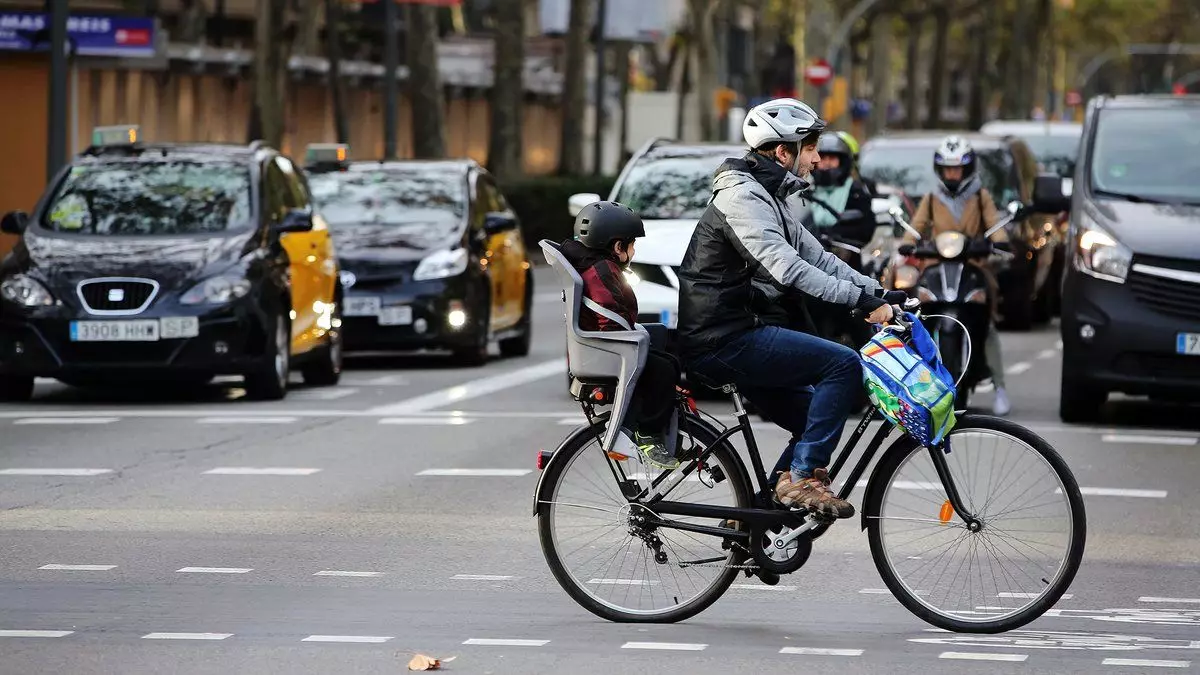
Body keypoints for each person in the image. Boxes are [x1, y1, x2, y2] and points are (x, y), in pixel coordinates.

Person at [675, 98, 907, 519]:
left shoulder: (769, 195)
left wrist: (880, 292)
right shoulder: (742, 198)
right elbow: (789, 269)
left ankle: (758, 521)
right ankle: (801, 479)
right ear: (783, 152)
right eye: (812, 148)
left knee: (813, 423)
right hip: (721, 338)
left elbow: (819, 258)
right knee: (843, 366)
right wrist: (859, 302)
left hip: (741, 330)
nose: (818, 159)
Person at [560, 201, 683, 470]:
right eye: (631, 245)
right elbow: (609, 313)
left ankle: (662, 424)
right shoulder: (601, 270)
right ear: (617, 247)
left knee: (663, 346)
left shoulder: (591, 263)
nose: (634, 251)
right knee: (663, 369)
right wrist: (626, 336)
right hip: (608, 348)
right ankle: (648, 435)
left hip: (602, 344)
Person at [900, 135, 1012, 416]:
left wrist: (998, 240)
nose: (952, 174)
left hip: (974, 266)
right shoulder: (931, 197)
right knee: (915, 316)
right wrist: (909, 240)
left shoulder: (979, 195)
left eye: (957, 169)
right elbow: (917, 225)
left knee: (988, 324)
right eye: (947, 169)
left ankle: (999, 387)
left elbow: (995, 224)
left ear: (967, 168)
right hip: (937, 267)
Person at [809, 130, 877, 246]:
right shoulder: (804, 189)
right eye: (822, 158)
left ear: (842, 162)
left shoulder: (856, 191)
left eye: (832, 158)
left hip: (845, 256)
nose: (827, 163)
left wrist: (833, 234)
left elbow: (866, 230)